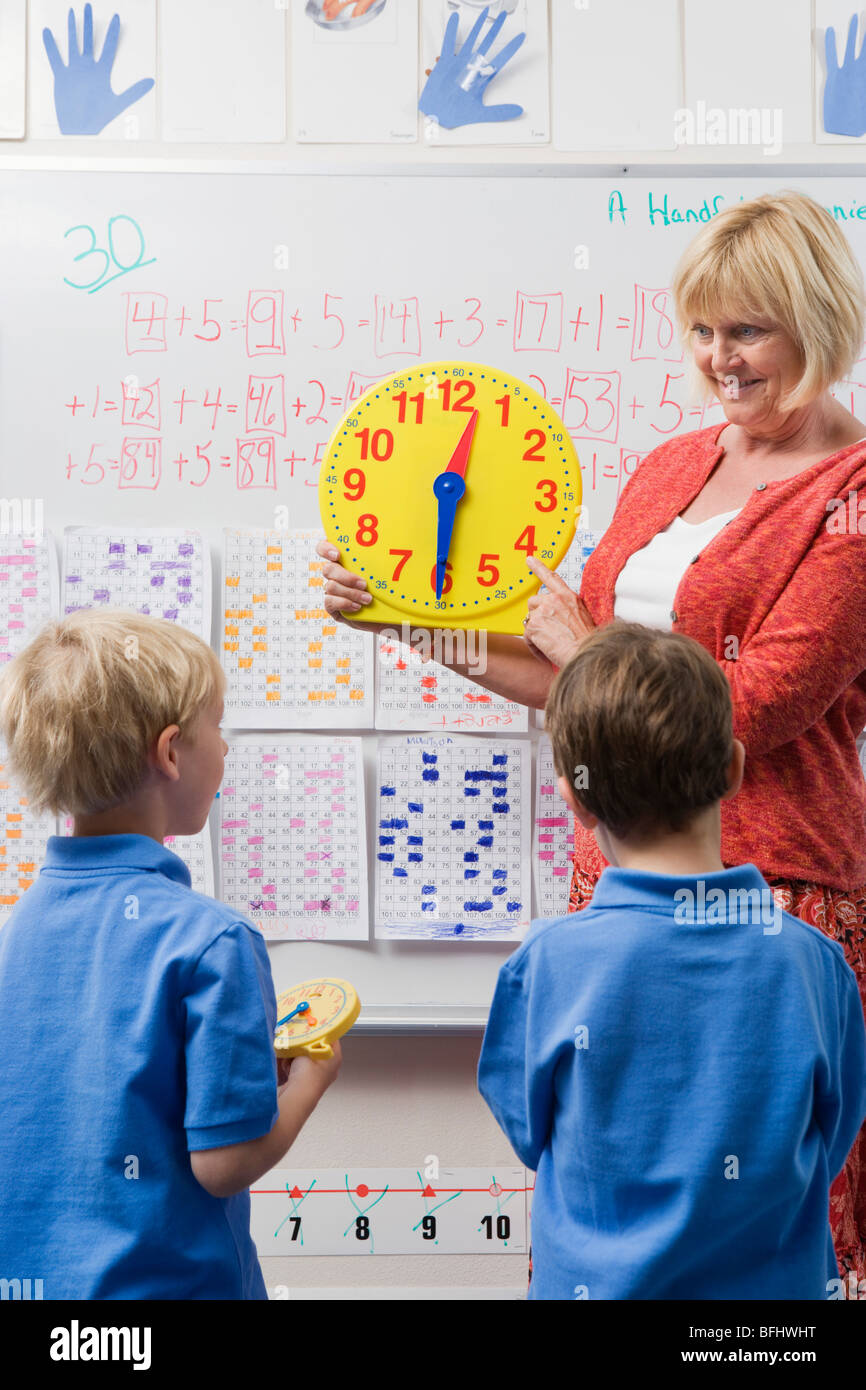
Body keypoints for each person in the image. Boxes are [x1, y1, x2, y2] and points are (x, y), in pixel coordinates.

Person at [318, 189, 866, 1286]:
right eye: (702, 330)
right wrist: (407, 619)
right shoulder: (672, 467)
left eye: (746, 329)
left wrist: (586, 639)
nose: (719, 358)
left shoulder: (852, 492)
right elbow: (573, 682)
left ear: (814, 319)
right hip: (613, 879)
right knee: (609, 1183)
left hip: (769, 888)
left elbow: (741, 709)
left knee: (762, 1210)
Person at [478, 620, 866, 1299]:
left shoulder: (548, 964)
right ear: (735, 768)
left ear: (571, 796)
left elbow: (526, 1130)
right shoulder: (816, 965)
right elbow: (832, 1138)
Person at [0, 609, 340, 1299]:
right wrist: (309, 1082)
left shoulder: (18, 929)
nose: (227, 746)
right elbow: (224, 1163)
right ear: (171, 752)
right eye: (218, 724)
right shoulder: (214, 940)